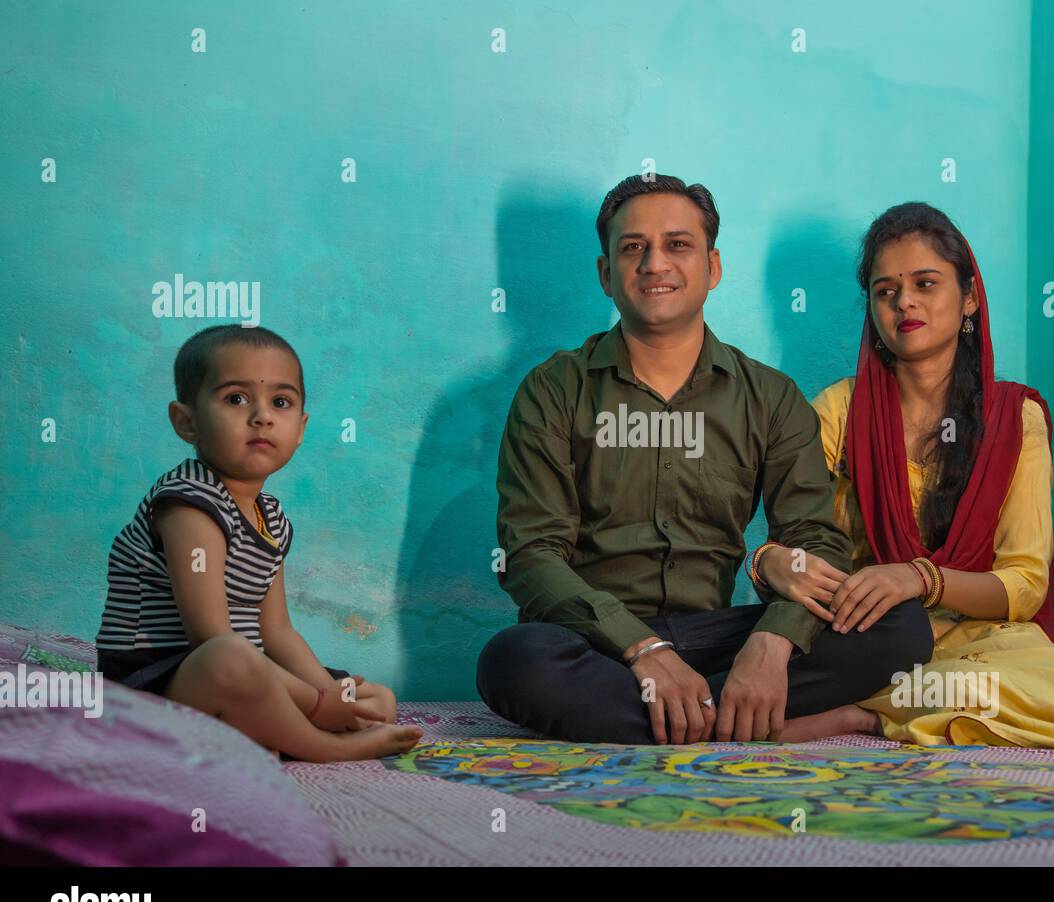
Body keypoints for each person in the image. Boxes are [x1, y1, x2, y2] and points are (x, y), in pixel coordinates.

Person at [477, 175, 933, 745]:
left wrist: (771, 647)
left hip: (717, 638)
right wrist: (641, 648)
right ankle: (750, 722)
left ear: (712, 268)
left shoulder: (770, 397)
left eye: (677, 244)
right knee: (514, 661)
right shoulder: (553, 391)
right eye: (632, 247)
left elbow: (813, 541)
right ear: (605, 275)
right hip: (598, 643)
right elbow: (530, 555)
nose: (654, 263)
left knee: (901, 628)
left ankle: (698, 711)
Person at [756, 201, 1054, 747]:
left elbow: (1023, 583)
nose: (905, 302)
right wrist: (770, 561)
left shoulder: (1015, 418)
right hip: (871, 634)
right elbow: (794, 541)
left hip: (986, 638)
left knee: (1017, 679)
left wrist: (921, 578)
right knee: (1037, 690)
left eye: (926, 283)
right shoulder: (835, 411)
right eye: (886, 291)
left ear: (969, 296)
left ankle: (864, 716)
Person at [94, 325, 422, 761]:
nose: (262, 416)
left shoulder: (272, 518)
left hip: (240, 678)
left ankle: (263, 726)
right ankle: (322, 747)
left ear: (301, 427)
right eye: (235, 399)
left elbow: (277, 632)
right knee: (230, 659)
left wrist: (328, 693)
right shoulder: (189, 502)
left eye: (280, 402)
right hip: (154, 687)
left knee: (374, 698)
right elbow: (209, 635)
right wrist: (317, 707)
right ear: (186, 421)